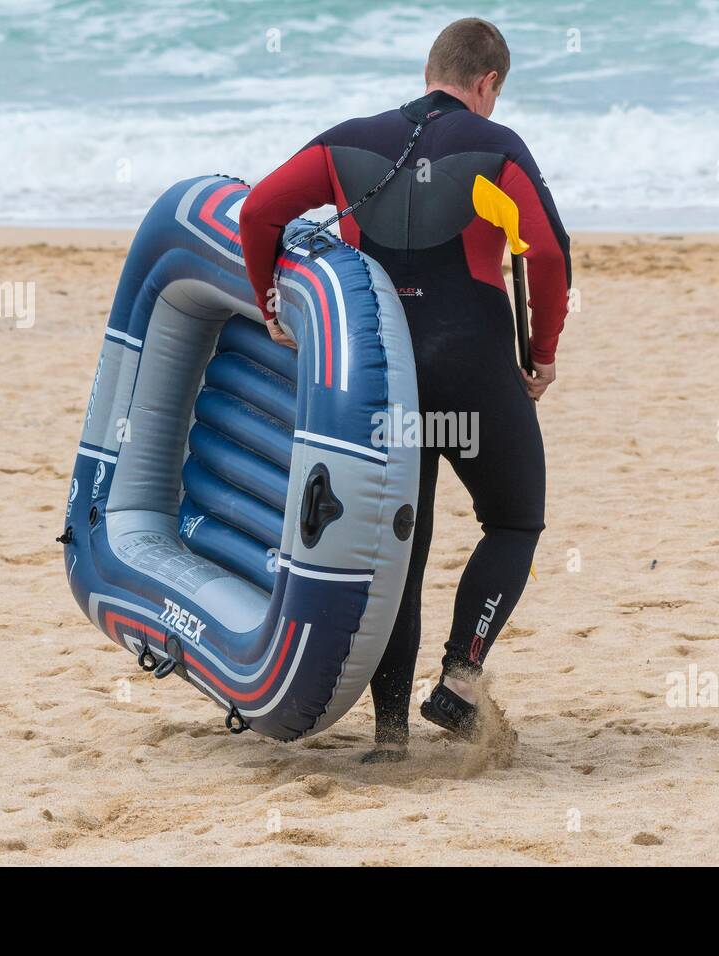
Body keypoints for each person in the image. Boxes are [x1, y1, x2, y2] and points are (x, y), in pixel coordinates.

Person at [239, 17, 571, 762]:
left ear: (431, 71)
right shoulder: (496, 147)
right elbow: (546, 249)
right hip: (475, 370)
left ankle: (390, 737)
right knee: (514, 523)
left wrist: (268, 300)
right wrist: (541, 353)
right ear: (487, 83)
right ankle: (459, 676)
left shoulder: (348, 141)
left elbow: (259, 210)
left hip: (383, 382)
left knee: (403, 553)